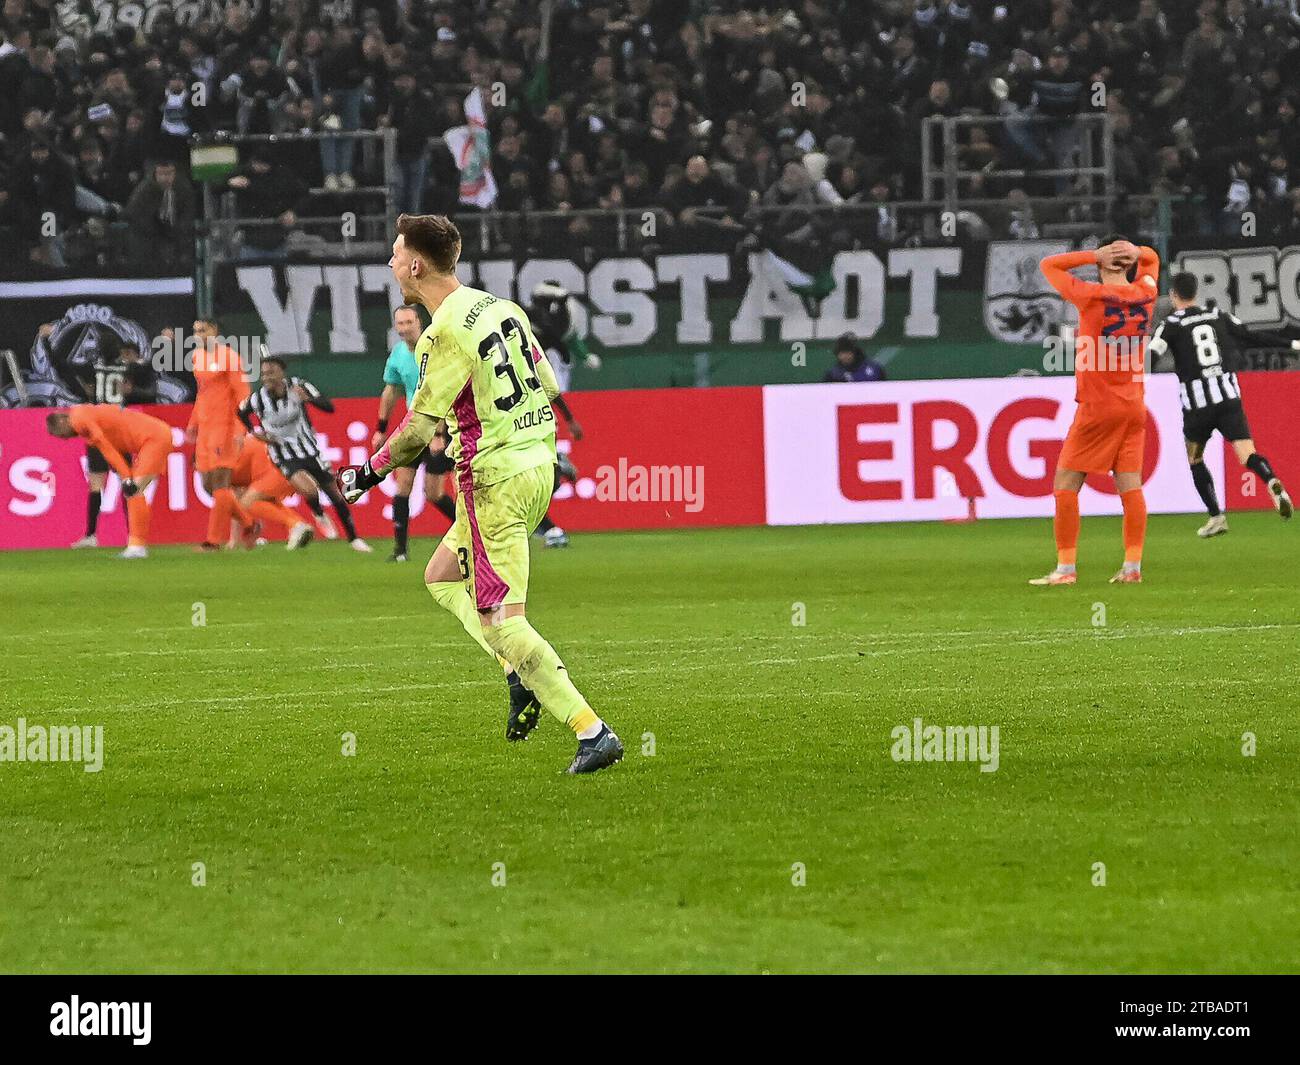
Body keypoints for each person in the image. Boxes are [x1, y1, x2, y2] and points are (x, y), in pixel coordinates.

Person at [338, 213, 623, 774]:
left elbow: (418, 431)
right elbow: (547, 383)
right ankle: (515, 671)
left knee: (503, 619)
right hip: (537, 464)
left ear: (415, 265)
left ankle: (592, 730)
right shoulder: (501, 308)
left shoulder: (442, 333)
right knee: (441, 575)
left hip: (492, 480)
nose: (391, 262)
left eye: (395, 253)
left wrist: (366, 474)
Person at [1031, 236, 1160, 586]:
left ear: (1103, 263)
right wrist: (1137, 254)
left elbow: (1049, 265)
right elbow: (1152, 260)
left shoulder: (1090, 297)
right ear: (1131, 264)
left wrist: (1092, 255)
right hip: (1134, 404)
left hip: (1097, 406)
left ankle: (1066, 569)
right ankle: (1132, 566)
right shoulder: (1146, 294)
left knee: (1066, 485)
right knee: (1130, 486)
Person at [1149, 272, 1296, 537]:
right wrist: (1293, 343)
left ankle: (1217, 516)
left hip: (1197, 405)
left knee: (1195, 458)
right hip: (1228, 398)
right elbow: (1252, 337)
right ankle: (1271, 480)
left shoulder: (1170, 324)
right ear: (1196, 293)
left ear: (1173, 296)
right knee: (1247, 455)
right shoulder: (1219, 315)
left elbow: (1152, 356)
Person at [237, 353, 370, 552]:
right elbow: (240, 412)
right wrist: (255, 433)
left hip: (309, 450)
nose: (267, 378)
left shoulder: (298, 385)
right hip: (282, 454)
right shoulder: (257, 399)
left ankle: (354, 539)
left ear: (282, 372)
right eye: (263, 375)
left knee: (336, 495)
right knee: (308, 490)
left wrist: (308, 399)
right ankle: (318, 514)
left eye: (271, 373)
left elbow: (329, 407)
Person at [372, 305, 457, 562]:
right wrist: (381, 428)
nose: (404, 328)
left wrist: (439, 433)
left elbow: (443, 390)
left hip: (440, 427)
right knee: (402, 486)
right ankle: (400, 550)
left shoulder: (433, 350)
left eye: (408, 322)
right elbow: (391, 390)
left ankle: (472, 532)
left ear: (418, 322)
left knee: (434, 494)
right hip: (415, 426)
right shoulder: (398, 354)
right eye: (399, 324)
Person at [47, 405, 172, 559]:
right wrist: (125, 475)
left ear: (61, 422)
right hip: (154, 436)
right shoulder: (84, 421)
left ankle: (137, 547)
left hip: (153, 439)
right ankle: (137, 545)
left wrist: (126, 477)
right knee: (134, 492)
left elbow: (105, 446)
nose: (64, 438)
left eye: (60, 435)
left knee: (134, 491)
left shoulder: (79, 419)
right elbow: (109, 449)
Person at [187, 318, 254, 552]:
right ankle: (248, 522)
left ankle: (213, 541)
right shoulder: (197, 357)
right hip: (205, 429)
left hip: (224, 428)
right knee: (207, 485)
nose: (198, 335)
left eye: (202, 330)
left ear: (214, 331)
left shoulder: (229, 357)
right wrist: (193, 421)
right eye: (195, 331)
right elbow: (202, 393)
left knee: (221, 483)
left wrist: (240, 428)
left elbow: (242, 394)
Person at [229, 435, 315, 550]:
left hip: (276, 470)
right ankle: (299, 524)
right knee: (265, 500)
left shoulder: (224, 466)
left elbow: (238, 505)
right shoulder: (233, 448)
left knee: (246, 503)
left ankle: (295, 524)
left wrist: (234, 540)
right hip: (292, 467)